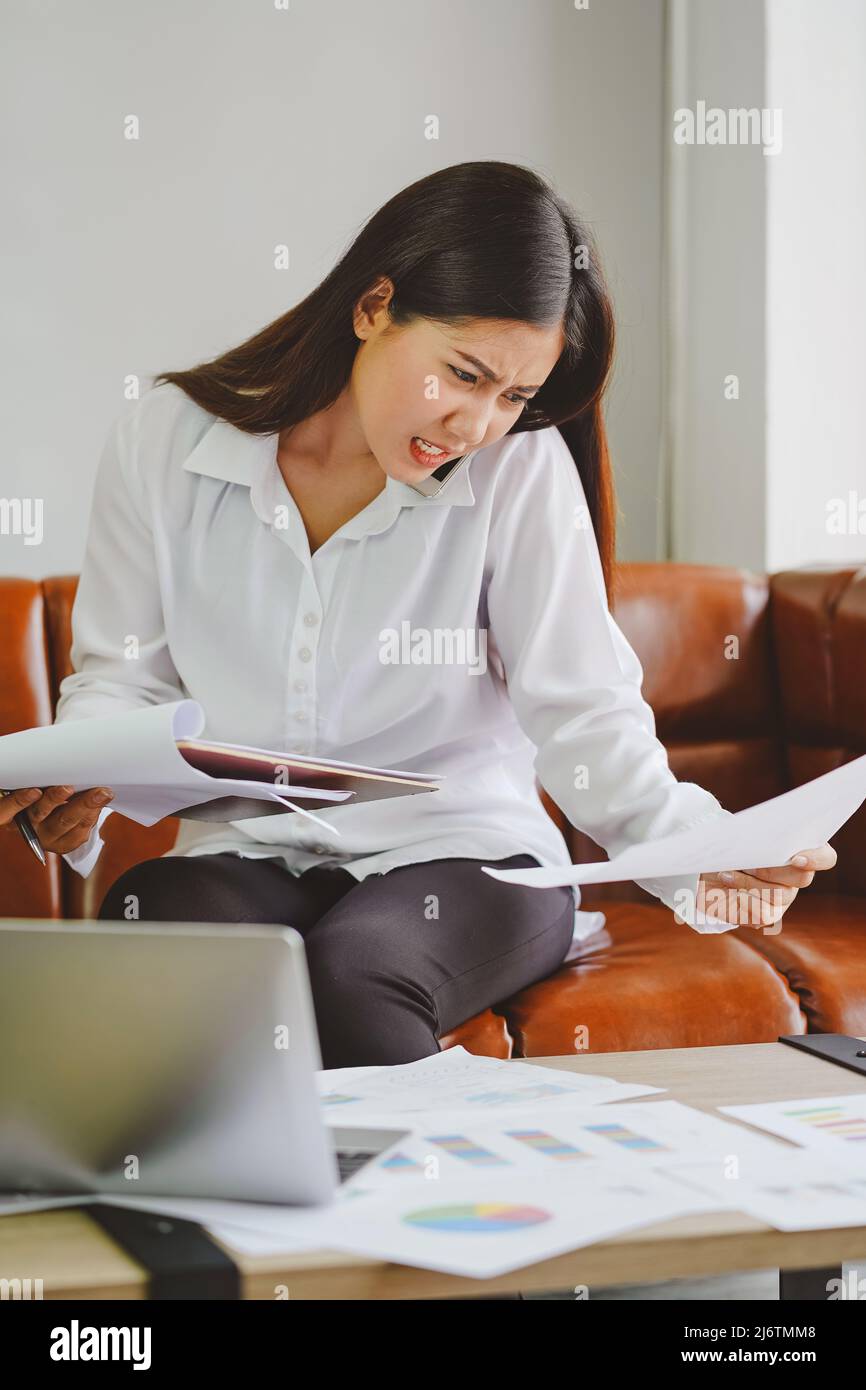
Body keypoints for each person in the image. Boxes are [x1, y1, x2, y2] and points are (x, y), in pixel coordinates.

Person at [8, 161, 835, 1067]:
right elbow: (122, 676)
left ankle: (434, 1205)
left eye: (515, 396)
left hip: (469, 858)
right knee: (160, 930)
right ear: (373, 308)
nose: (478, 424)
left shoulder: (515, 471)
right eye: (464, 374)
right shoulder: (164, 438)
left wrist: (707, 850)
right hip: (247, 848)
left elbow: (586, 717)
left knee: (357, 975)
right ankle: (192, 1204)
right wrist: (77, 786)